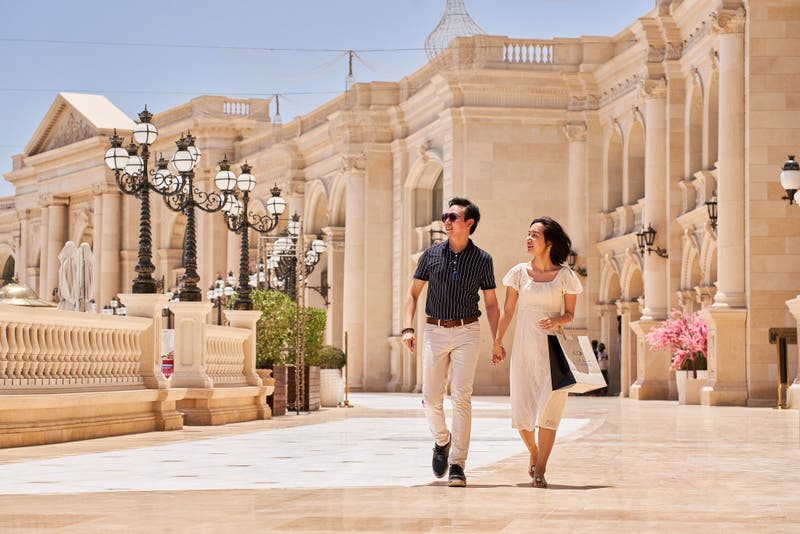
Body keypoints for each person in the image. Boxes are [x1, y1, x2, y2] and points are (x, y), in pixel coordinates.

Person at [402, 197, 499, 488]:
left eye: (453, 217)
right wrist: (408, 328)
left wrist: (497, 340)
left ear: (469, 224)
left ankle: (458, 464)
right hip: (434, 330)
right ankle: (442, 441)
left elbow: (492, 304)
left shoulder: (483, 260)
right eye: (445, 216)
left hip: (468, 330)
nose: (447, 221)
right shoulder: (430, 255)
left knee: (461, 397)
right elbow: (412, 295)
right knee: (430, 398)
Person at [491, 216, 582, 488]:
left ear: (549, 242)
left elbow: (570, 315)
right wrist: (497, 342)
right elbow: (507, 312)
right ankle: (533, 451)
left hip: (554, 351)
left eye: (535, 235)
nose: (528, 239)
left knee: (549, 413)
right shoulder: (519, 272)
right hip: (524, 349)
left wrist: (556, 321)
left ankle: (541, 468)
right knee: (523, 410)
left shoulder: (566, 276)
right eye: (528, 234)